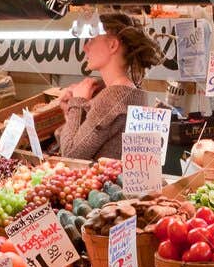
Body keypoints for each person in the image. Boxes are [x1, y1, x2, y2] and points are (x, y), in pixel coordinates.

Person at [54, 13, 164, 161]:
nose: (85, 47)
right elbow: (72, 142)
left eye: (92, 39)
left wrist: (77, 102)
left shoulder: (111, 98)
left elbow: (70, 154)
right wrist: (71, 110)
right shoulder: (132, 91)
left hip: (104, 177)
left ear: (112, 45)